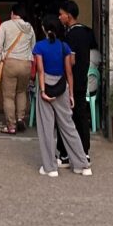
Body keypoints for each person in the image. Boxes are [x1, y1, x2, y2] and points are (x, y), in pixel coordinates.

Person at [31, 15, 91, 178]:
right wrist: (71, 93)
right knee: (68, 127)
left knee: (47, 129)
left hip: (47, 86)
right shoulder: (64, 47)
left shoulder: (39, 47)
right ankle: (82, 165)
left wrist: (43, 91)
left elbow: (40, 71)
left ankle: (50, 168)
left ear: (44, 29)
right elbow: (69, 72)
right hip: (62, 87)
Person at [58, 0, 96, 155]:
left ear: (69, 15)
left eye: (61, 14)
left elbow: (71, 60)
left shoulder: (71, 35)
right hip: (82, 79)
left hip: (71, 81)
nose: (59, 17)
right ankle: (84, 152)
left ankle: (65, 153)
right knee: (81, 116)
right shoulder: (87, 32)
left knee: (66, 118)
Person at [0, 3, 35, 134]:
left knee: (8, 96)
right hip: (25, 63)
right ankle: (20, 118)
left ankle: (11, 126)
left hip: (10, 63)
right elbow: (33, 47)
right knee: (22, 92)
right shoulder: (29, 28)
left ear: (12, 13)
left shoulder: (5, 25)